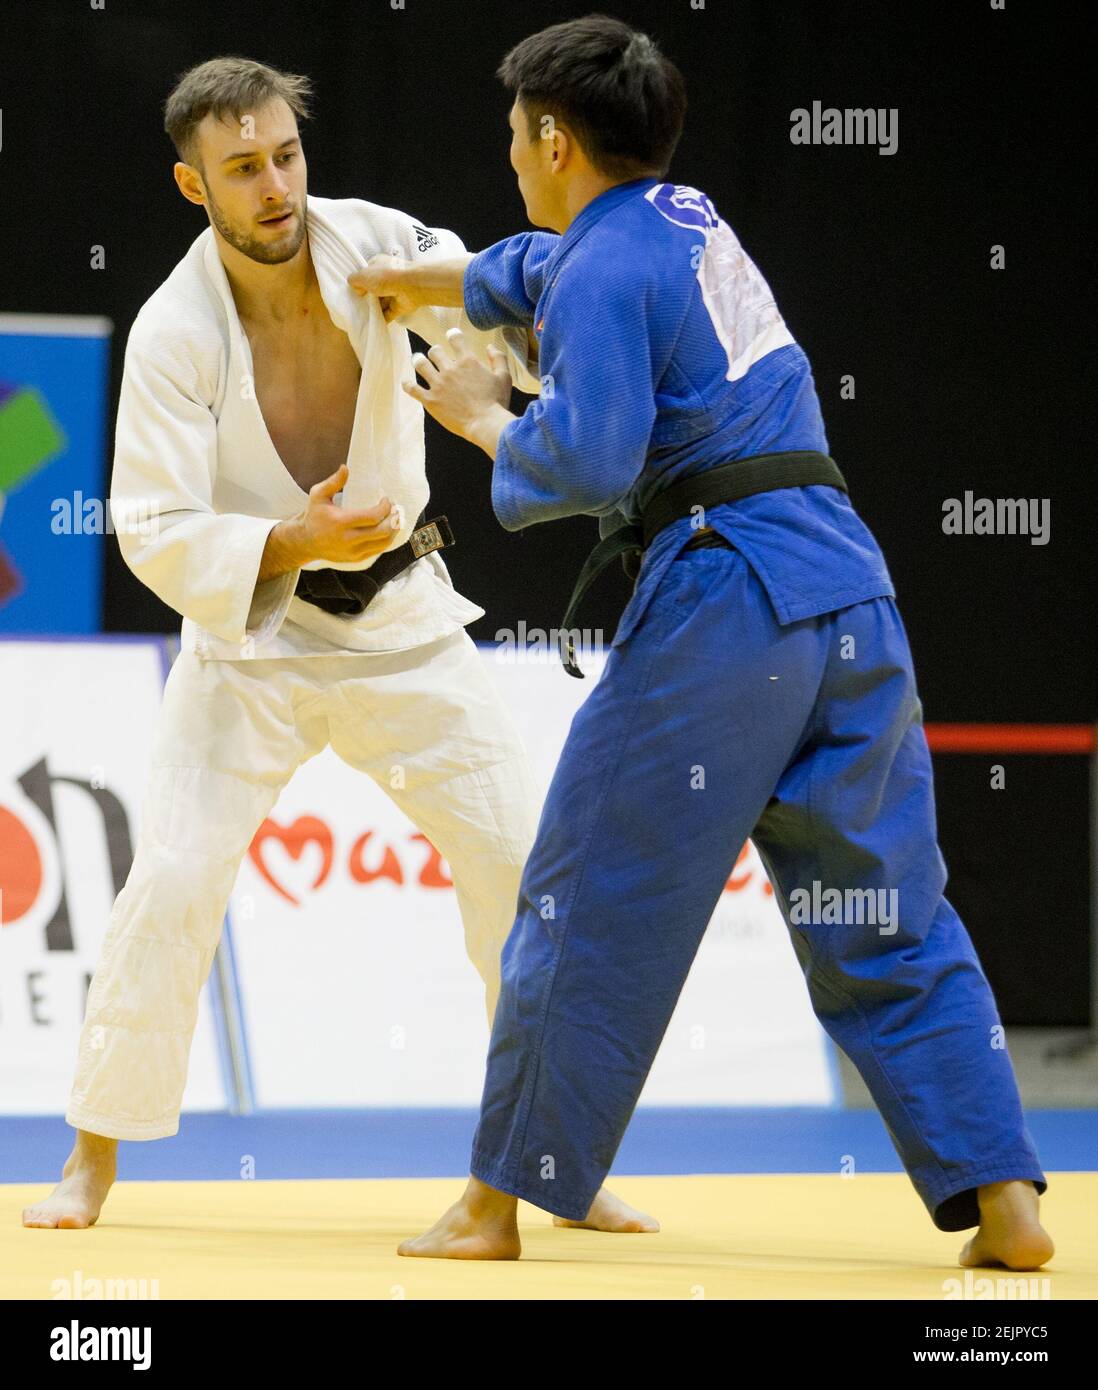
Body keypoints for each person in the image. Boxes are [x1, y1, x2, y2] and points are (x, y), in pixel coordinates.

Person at [352, 14, 1055, 1269]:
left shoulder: (607, 270)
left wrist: (480, 415)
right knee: (889, 910)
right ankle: (1005, 1199)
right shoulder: (684, 221)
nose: (511, 157)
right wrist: (428, 285)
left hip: (730, 603)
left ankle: (494, 1203)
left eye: (516, 137)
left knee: (586, 891)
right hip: (850, 594)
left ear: (554, 138)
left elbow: (589, 457)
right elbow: (541, 266)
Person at [22, 55, 650, 1237]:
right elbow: (149, 526)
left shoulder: (377, 246)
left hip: (407, 622)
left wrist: (515, 371)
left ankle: (560, 1155)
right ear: (191, 185)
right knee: (168, 881)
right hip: (252, 646)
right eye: (243, 168)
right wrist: (288, 537)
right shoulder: (172, 329)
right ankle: (91, 1157)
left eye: (286, 156)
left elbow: (504, 307)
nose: (276, 186)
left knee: (520, 871)